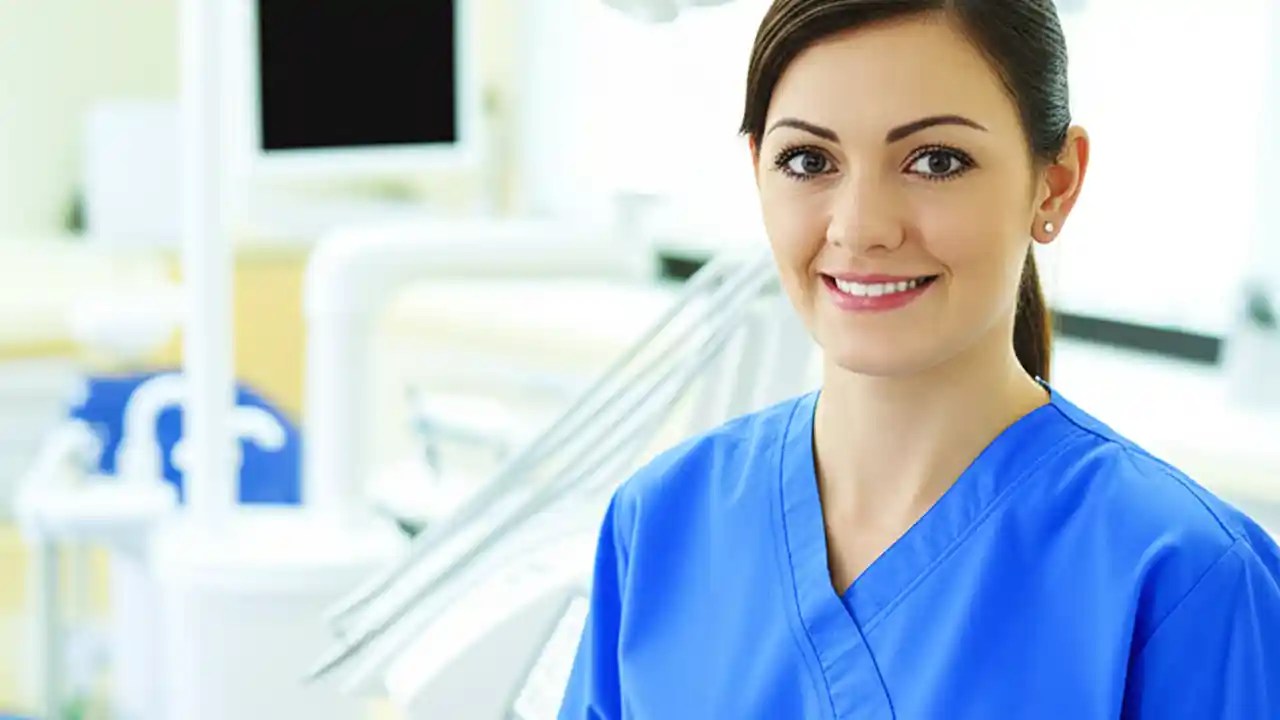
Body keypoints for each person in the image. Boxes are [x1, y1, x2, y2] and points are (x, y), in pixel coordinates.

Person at [558, 0, 1280, 717]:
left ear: (1054, 183)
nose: (861, 227)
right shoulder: (660, 526)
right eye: (808, 160)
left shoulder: (1184, 578)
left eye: (936, 161)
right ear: (757, 171)